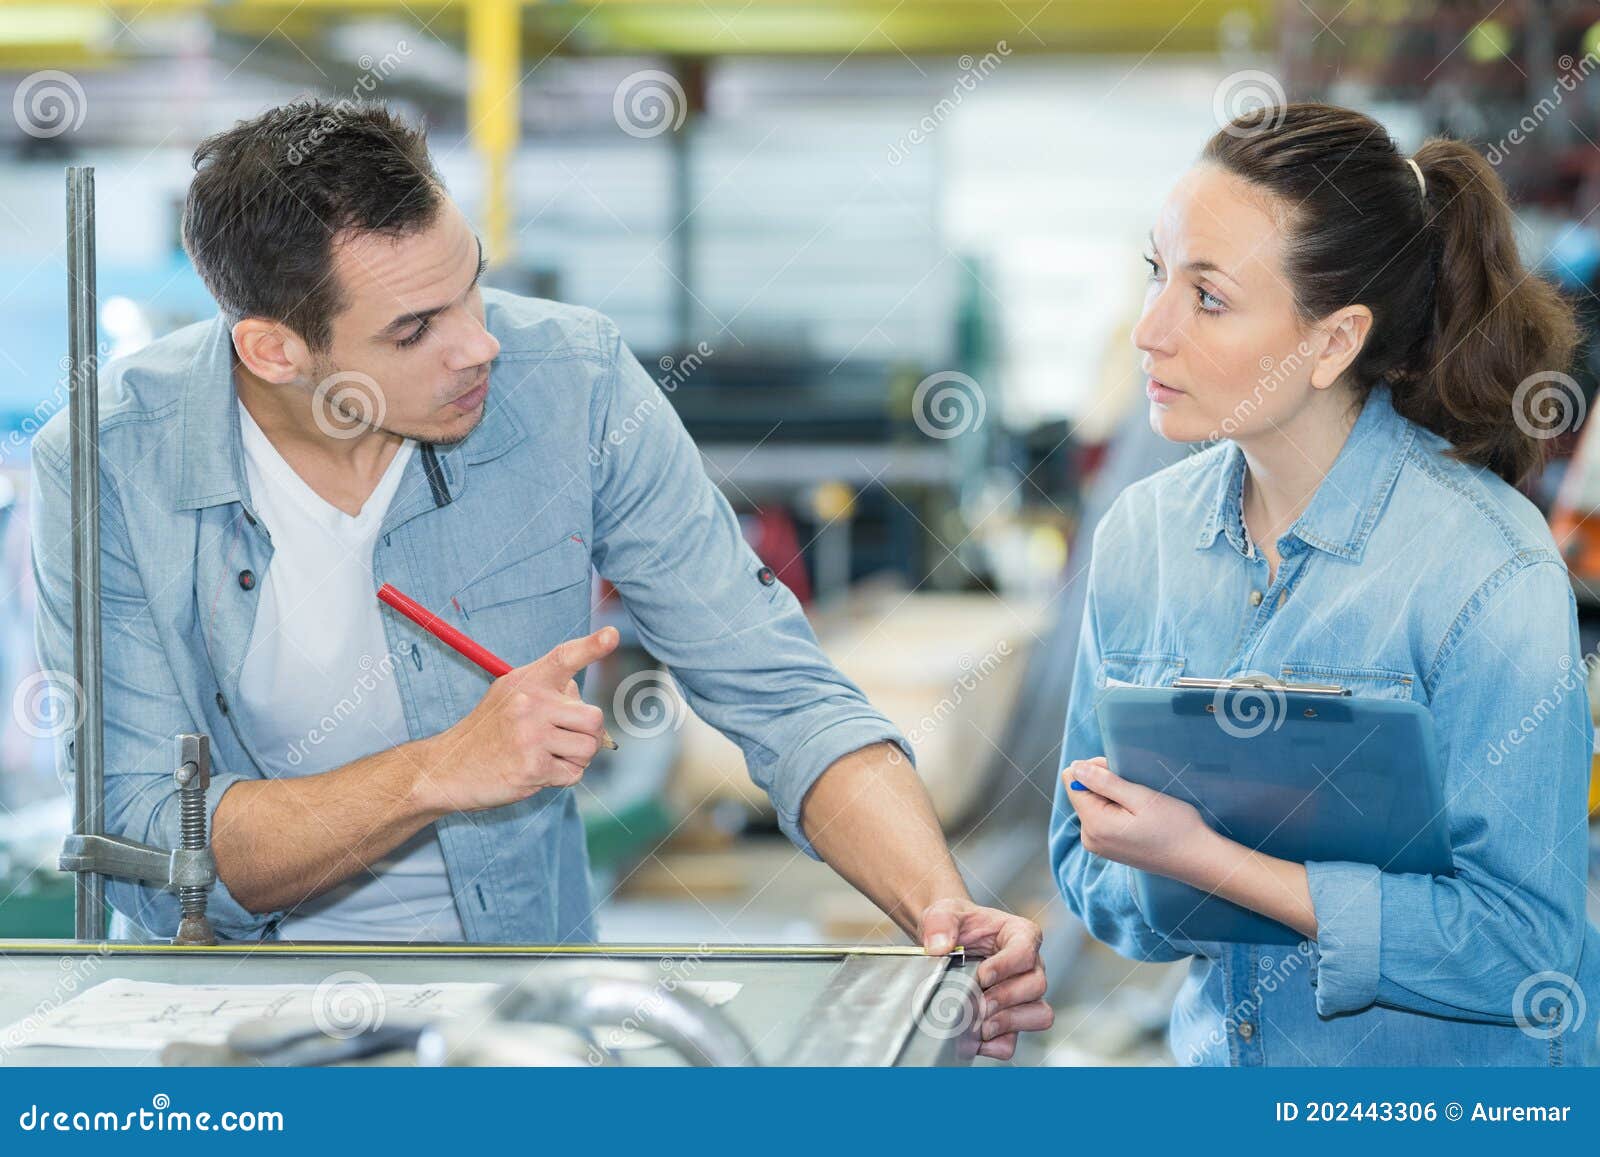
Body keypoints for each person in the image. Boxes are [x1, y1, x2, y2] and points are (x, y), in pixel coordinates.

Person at [29, 100, 1050, 1059]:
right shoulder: (112, 462)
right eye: (413, 328)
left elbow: (778, 691)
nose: (479, 343)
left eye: (469, 280)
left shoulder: (575, 382)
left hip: (521, 1011)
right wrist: (440, 767)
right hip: (227, 1025)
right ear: (275, 349)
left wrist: (937, 907)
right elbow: (156, 846)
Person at [1051, 101, 1600, 1066]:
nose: (1148, 329)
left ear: (1335, 341)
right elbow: (1080, 862)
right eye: (1156, 275)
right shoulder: (1143, 538)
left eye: (1208, 297)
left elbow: (1523, 947)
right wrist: (1147, 864)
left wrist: (1210, 861)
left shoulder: (1486, 570)